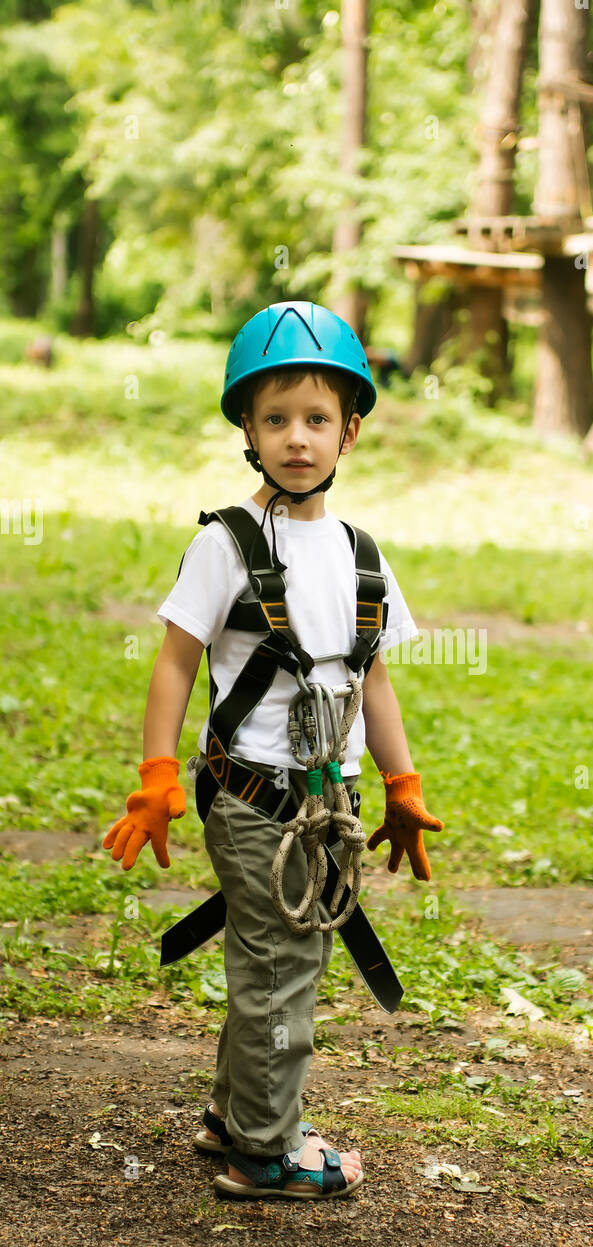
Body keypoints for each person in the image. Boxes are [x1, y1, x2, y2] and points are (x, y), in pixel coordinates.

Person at [103, 300, 443, 1199]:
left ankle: (233, 1115)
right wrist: (157, 777)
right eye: (277, 418)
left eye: (318, 419)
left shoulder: (362, 555)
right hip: (254, 803)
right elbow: (176, 663)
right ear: (247, 432)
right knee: (282, 966)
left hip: (330, 808)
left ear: (351, 431)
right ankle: (265, 1151)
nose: (299, 437)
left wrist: (402, 784)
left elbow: (372, 680)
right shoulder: (225, 546)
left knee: (274, 958)